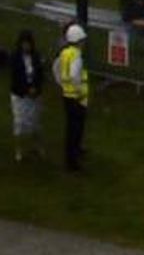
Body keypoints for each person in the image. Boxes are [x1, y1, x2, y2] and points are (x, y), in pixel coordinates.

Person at [53, 24, 90, 171]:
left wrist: (62, 84)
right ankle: (72, 160)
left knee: (72, 127)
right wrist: (79, 90)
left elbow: (57, 70)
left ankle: (74, 153)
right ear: (79, 40)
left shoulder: (65, 53)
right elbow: (75, 75)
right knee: (75, 128)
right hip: (76, 97)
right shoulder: (76, 55)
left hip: (67, 95)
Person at [9, 30, 46, 162]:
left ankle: (37, 146)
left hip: (35, 95)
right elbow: (15, 78)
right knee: (19, 121)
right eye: (24, 44)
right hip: (20, 95)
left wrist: (35, 89)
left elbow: (40, 75)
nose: (26, 47)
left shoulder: (36, 56)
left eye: (28, 44)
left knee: (36, 122)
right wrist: (26, 90)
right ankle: (19, 149)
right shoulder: (15, 58)